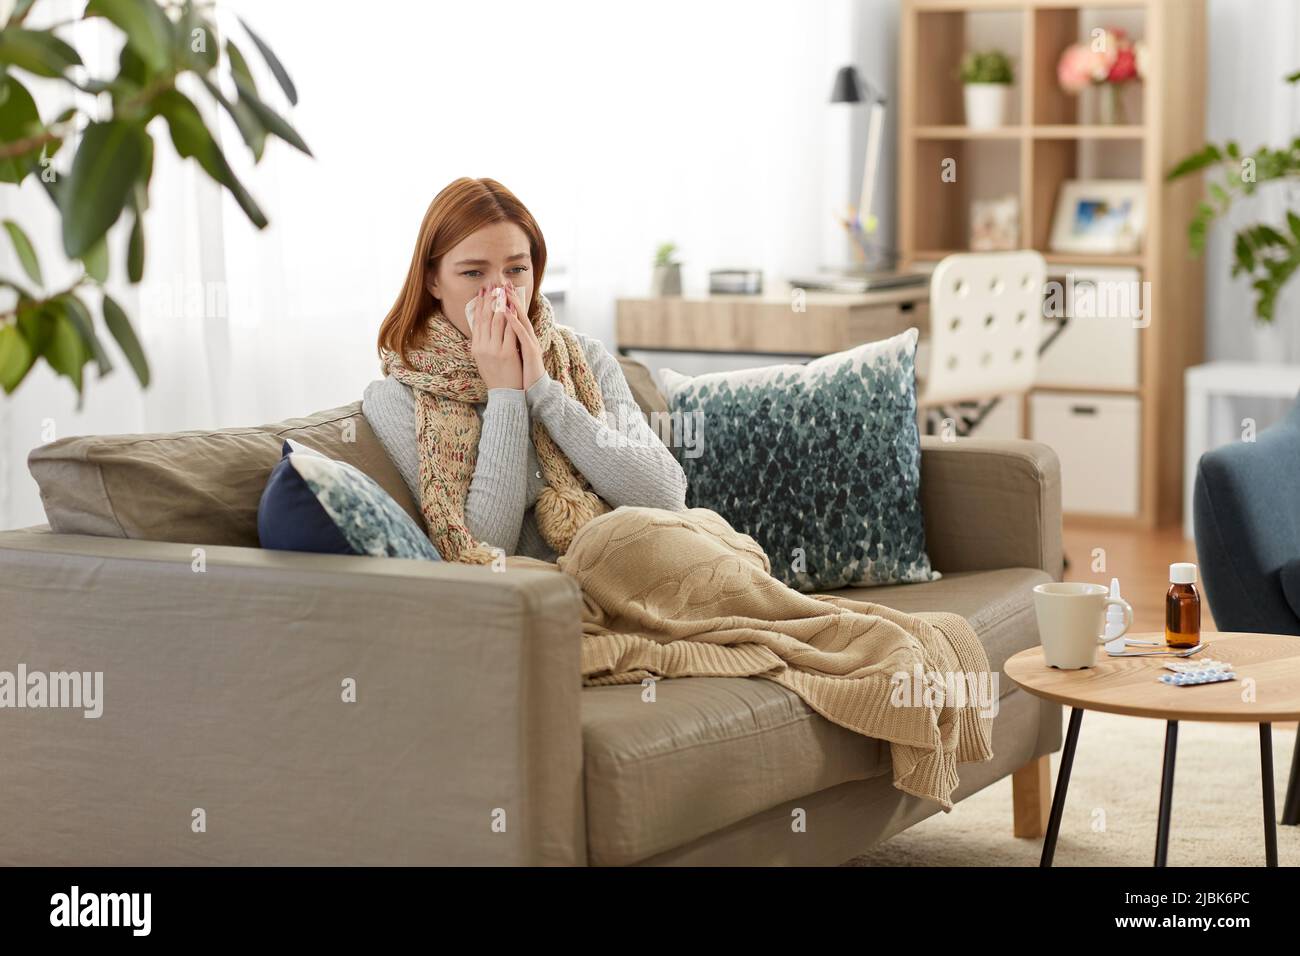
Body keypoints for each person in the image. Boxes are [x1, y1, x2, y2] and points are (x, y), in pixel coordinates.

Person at [365, 177, 687, 563]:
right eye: (473, 273)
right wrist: (505, 395)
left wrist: (544, 391)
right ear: (433, 280)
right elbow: (485, 552)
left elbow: (667, 497)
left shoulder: (585, 356)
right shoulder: (396, 398)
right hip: (551, 601)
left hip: (647, 560)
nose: (499, 292)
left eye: (516, 269)